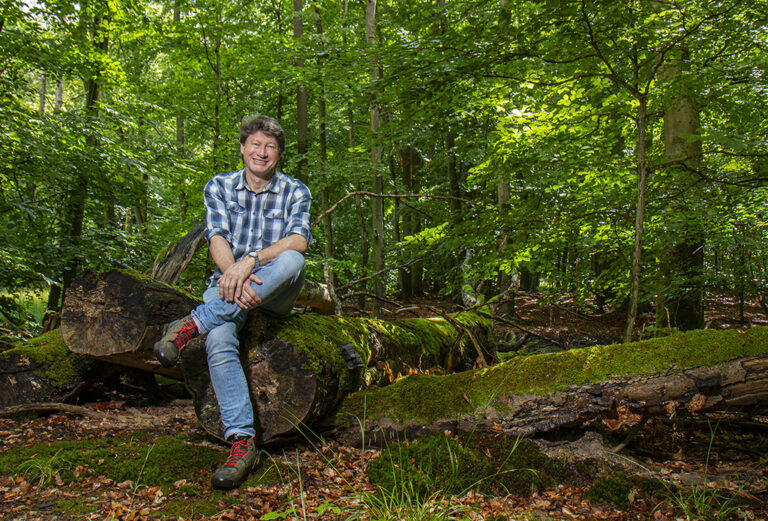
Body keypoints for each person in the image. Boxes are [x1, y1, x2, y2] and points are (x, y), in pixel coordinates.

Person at [153, 115, 312, 490]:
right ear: (242, 149)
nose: (262, 152)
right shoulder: (220, 186)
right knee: (220, 339)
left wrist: (252, 261)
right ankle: (242, 444)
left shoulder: (294, 190)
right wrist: (233, 278)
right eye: (255, 145)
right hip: (228, 286)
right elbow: (217, 237)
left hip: (274, 289)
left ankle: (192, 323)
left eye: (270, 147)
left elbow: (299, 241)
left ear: (279, 154)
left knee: (293, 260)